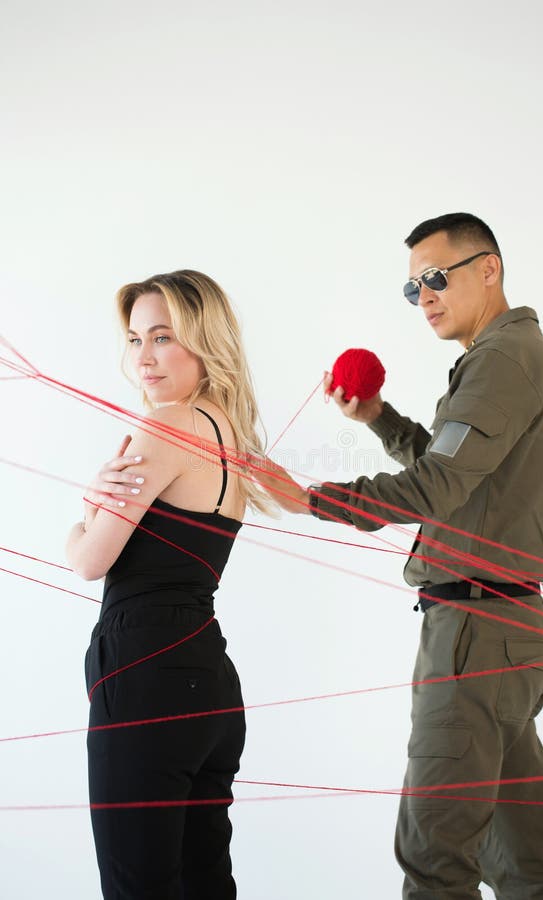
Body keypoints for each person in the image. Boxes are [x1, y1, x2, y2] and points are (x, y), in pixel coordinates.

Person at [254, 213, 543, 899]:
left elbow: (435, 485)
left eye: (435, 278)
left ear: (488, 268)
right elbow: (454, 471)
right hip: (507, 635)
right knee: (521, 866)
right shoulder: (510, 358)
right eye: (411, 289)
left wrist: (311, 499)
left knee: (435, 857)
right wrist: (378, 418)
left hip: (476, 639)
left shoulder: (504, 359)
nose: (424, 297)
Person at [66, 270, 270, 899]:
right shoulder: (234, 436)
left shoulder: (166, 426)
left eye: (163, 337)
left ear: (204, 340)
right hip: (207, 677)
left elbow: (89, 561)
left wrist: (83, 516)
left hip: (149, 676)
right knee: (205, 881)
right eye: (135, 340)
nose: (144, 358)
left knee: (140, 888)